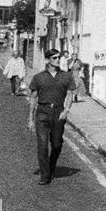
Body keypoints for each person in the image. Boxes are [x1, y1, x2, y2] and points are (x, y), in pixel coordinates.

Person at [26, 48, 77, 185]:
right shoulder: (38, 77)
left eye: (59, 57)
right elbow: (33, 98)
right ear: (47, 60)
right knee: (42, 145)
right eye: (54, 58)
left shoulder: (66, 76)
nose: (58, 60)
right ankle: (45, 175)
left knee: (56, 144)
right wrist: (30, 119)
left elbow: (70, 94)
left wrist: (66, 110)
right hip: (42, 112)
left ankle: (51, 165)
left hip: (58, 112)